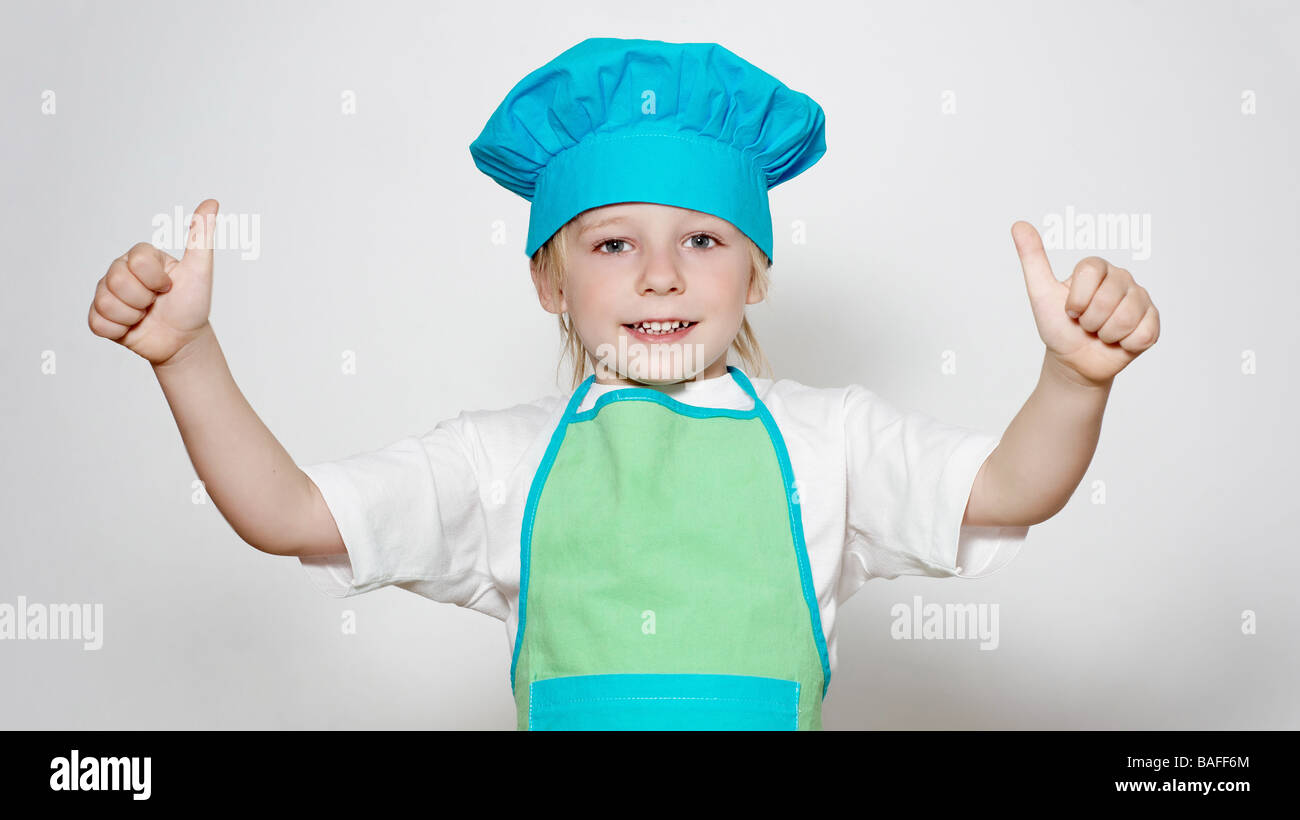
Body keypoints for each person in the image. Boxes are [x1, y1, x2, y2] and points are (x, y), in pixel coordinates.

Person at [85, 37, 1160, 730]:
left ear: (757, 271)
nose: (659, 273)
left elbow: (1012, 488)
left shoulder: (828, 442)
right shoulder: (500, 461)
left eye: (701, 238)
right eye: (609, 245)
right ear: (547, 281)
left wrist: (1072, 379)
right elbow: (286, 514)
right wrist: (188, 356)